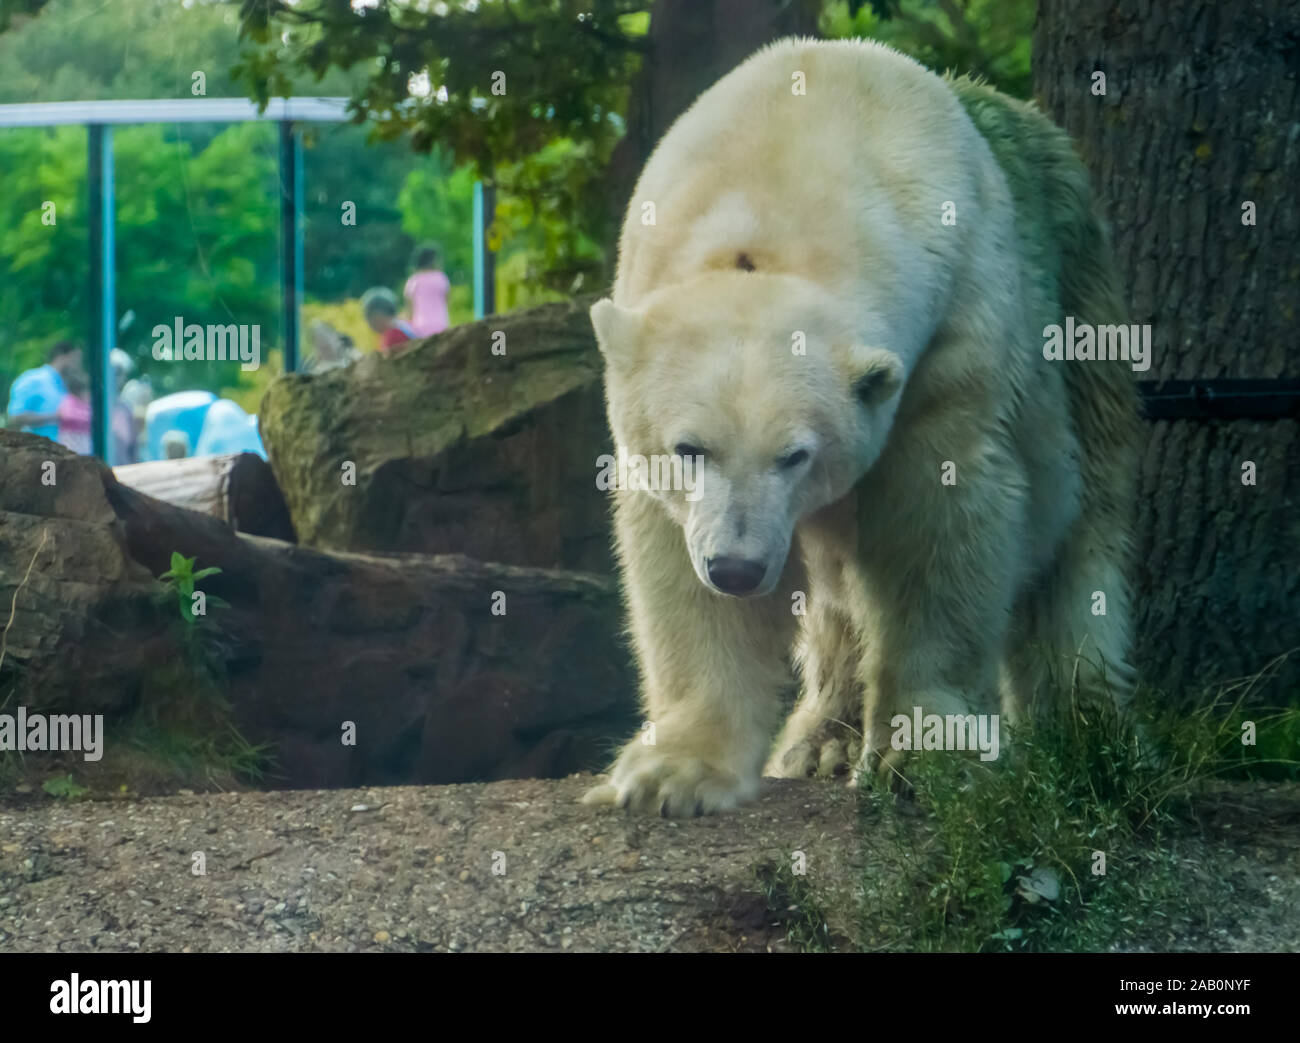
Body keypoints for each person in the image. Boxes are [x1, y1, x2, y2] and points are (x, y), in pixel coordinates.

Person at [5, 340, 82, 442]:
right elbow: (15, 417)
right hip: (37, 451)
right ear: (62, 357)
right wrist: (57, 417)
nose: (77, 364)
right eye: (75, 359)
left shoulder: (67, 384)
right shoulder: (32, 380)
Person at [403, 244, 451, 337]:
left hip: (419, 327)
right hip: (441, 324)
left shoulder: (414, 280)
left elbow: (409, 308)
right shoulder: (441, 278)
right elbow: (447, 301)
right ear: (433, 261)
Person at [362, 287, 418, 357]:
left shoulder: (392, 336)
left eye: (369, 317)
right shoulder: (404, 325)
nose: (369, 324)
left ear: (377, 315)